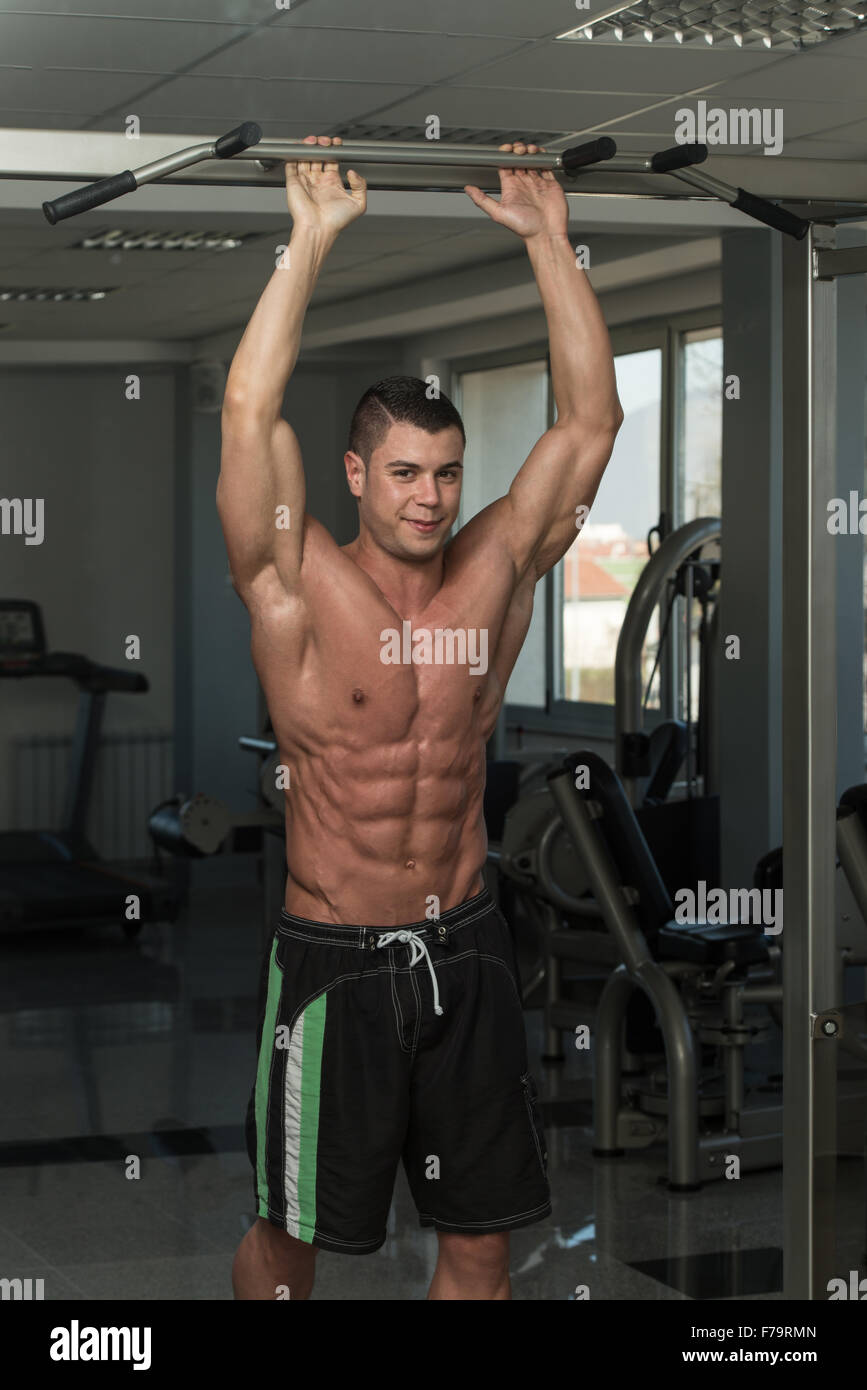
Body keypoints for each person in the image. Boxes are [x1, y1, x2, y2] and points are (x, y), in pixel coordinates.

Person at [219, 134, 622, 1301]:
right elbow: (250, 419)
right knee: (291, 1241)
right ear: (353, 473)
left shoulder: (496, 566)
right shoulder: (297, 587)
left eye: (445, 472)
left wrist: (552, 238)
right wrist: (307, 242)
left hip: (468, 948)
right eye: (402, 473)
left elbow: (589, 424)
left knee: (483, 1243)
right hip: (331, 963)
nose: (429, 497)